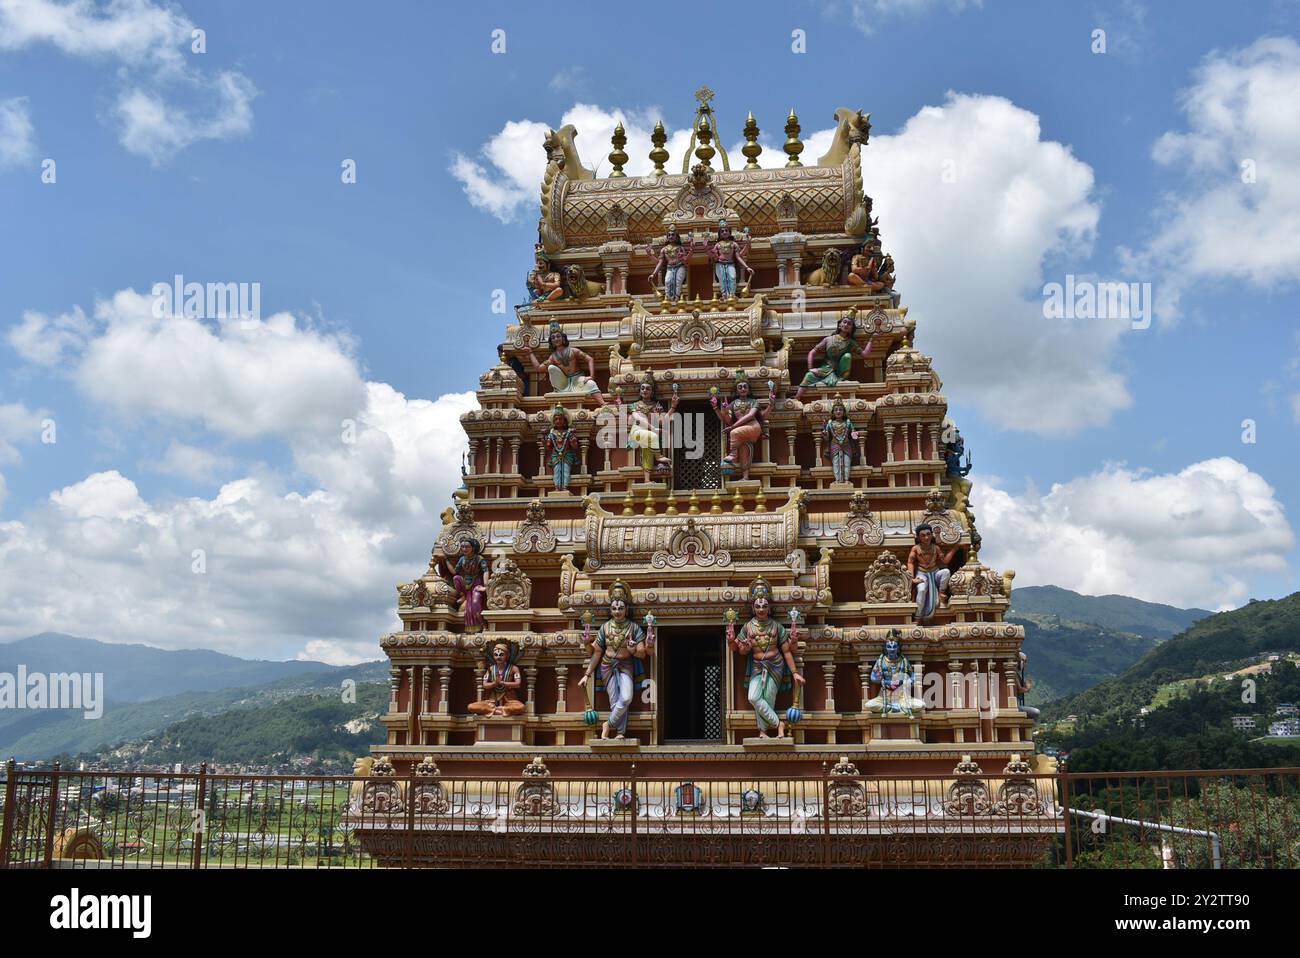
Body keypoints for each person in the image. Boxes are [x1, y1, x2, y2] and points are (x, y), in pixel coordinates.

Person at [727, 580, 804, 738]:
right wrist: (733, 641)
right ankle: (778, 724)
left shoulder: (776, 626)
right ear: (753, 609)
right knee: (754, 697)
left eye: (764, 606)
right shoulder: (748, 627)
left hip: (776, 665)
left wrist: (795, 672)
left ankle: (762, 731)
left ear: (769, 608)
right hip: (757, 666)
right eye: (758, 606)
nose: (761, 609)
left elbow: (788, 651)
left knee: (768, 699)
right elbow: (738, 649)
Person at [578, 584, 653, 740]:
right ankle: (620, 732)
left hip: (625, 665)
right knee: (615, 701)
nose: (617, 612)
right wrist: (587, 674)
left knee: (626, 697)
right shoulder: (605, 628)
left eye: (620, 608)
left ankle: (608, 724)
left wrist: (632, 649)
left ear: (626, 609)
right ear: (610, 610)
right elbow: (596, 652)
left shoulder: (634, 628)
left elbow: (642, 654)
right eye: (614, 608)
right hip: (607, 665)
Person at [794, 311, 874, 402]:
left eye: (849, 324)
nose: (846, 324)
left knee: (847, 356)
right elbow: (812, 353)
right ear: (839, 324)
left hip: (839, 371)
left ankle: (842, 379)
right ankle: (797, 397)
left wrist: (872, 339)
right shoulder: (828, 339)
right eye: (844, 322)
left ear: (851, 329)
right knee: (809, 375)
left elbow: (865, 354)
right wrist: (810, 368)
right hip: (825, 368)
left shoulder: (851, 342)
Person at [523, 322, 606, 405]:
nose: (556, 339)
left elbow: (590, 359)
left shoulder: (573, 351)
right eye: (553, 338)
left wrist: (591, 376)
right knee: (551, 367)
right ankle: (557, 389)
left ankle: (602, 403)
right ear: (551, 341)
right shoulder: (553, 357)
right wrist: (530, 353)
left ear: (563, 338)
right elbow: (539, 368)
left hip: (577, 379)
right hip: (564, 382)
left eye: (558, 336)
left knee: (591, 384)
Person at [712, 372, 773, 480]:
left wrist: (770, 405)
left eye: (745, 386)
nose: (743, 389)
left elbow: (751, 416)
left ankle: (732, 455)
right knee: (744, 452)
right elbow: (727, 420)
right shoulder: (734, 403)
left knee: (734, 433)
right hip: (742, 430)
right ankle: (745, 477)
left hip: (753, 427)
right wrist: (717, 408)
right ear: (737, 390)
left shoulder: (753, 402)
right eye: (740, 387)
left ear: (748, 389)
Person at [623, 376, 679, 480]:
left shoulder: (655, 406)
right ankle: (659, 456)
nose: (645, 390)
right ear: (639, 391)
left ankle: (647, 480)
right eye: (642, 388)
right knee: (653, 436)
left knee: (648, 454)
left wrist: (673, 407)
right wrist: (653, 429)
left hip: (647, 434)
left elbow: (662, 421)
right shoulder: (634, 406)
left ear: (652, 392)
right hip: (637, 431)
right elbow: (638, 419)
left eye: (648, 388)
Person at [907, 523, 959, 624]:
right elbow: (910, 562)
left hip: (935, 572)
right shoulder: (915, 548)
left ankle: (941, 592)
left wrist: (954, 549)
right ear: (918, 537)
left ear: (931, 535)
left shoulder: (936, 548)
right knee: (921, 590)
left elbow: (944, 562)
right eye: (923, 535)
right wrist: (912, 578)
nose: (926, 537)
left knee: (946, 572)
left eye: (928, 534)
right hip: (922, 573)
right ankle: (918, 617)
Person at [467, 642, 526, 716]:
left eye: (501, 655)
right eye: (496, 655)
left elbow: (518, 684)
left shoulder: (514, 668)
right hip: (492, 700)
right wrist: (494, 683)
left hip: (509, 699)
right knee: (471, 707)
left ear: (507, 655)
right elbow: (485, 685)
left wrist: (503, 683)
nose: (498, 657)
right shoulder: (491, 669)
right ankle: (497, 711)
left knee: (521, 707)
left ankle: (500, 710)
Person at [447, 537, 489, 633]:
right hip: (466, 584)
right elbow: (455, 572)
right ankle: (463, 596)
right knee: (456, 578)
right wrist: (447, 561)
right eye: (462, 547)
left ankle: (483, 625)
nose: (464, 549)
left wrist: (486, 585)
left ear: (473, 548)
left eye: (467, 547)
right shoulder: (462, 559)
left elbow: (485, 570)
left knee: (475, 603)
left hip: (477, 584)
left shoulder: (479, 559)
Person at [708, 219, 751, 299]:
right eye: (722, 231)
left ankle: (732, 294)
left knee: (732, 277)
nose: (724, 232)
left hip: (730, 264)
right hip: (720, 264)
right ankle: (724, 295)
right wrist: (706, 248)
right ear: (720, 234)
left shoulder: (734, 244)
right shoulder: (718, 245)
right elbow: (714, 257)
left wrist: (747, 267)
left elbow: (738, 256)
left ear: (729, 232)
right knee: (722, 279)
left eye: (726, 230)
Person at [822, 398, 861, 483]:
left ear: (844, 412)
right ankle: (837, 480)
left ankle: (846, 480)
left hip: (846, 444)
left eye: (840, 409)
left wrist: (855, 434)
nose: (838, 411)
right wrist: (825, 434)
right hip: (834, 445)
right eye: (836, 410)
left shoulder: (847, 422)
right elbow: (827, 438)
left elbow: (853, 431)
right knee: (835, 463)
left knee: (847, 463)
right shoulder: (830, 423)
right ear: (833, 412)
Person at [650, 224, 690, 302]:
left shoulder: (680, 248)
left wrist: (683, 257)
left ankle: (677, 298)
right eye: (669, 235)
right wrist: (653, 274)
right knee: (667, 281)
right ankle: (668, 299)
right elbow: (660, 262)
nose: (670, 236)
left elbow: (685, 260)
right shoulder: (664, 249)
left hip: (679, 266)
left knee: (678, 281)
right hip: (670, 268)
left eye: (673, 235)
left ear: (676, 236)